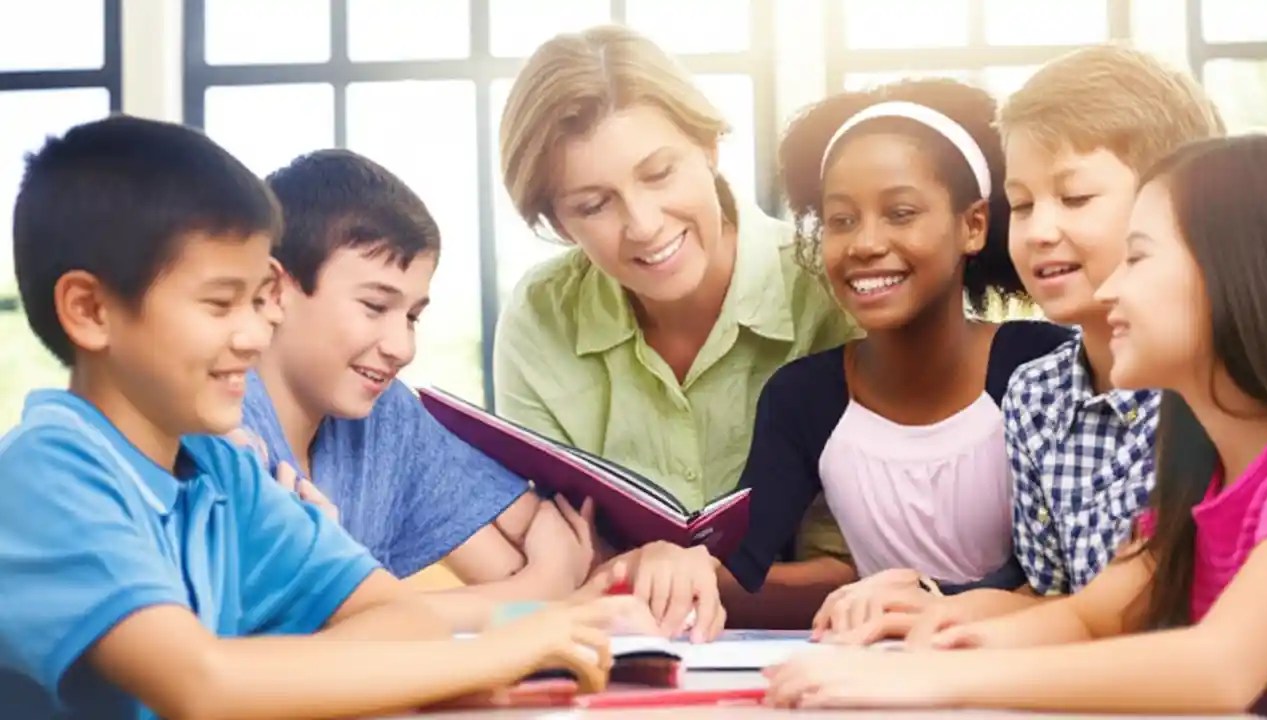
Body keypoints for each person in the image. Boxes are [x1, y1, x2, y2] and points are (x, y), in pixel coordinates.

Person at [0, 116, 654, 720]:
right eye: (221, 303)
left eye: (260, 301)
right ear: (90, 311)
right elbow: (199, 684)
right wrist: (504, 646)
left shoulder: (225, 472)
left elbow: (406, 624)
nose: (257, 333)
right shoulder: (49, 470)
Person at [765, 133, 1267, 717]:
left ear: (1235, 276)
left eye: (1137, 257)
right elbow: (1086, 617)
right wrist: (932, 652)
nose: (1110, 288)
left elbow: (1219, 671)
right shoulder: (1197, 482)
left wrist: (938, 683)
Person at [824, 46, 1225, 640]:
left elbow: (1145, 625)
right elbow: (1055, 600)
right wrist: (929, 609)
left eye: (1076, 198)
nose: (1038, 231)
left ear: (1174, 204)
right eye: (1025, 203)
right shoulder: (1036, 394)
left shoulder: (1219, 391)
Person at [246, 148, 726, 639]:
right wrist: (544, 586)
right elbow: (336, 628)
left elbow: (532, 545)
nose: (402, 347)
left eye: (412, 316)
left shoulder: (384, 418)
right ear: (273, 290)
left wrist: (563, 589)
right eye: (374, 306)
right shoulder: (220, 428)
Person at [494, 23, 857, 627]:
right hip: (616, 657)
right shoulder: (540, 318)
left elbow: (860, 566)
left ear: (710, 147)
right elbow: (550, 554)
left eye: (659, 173)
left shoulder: (828, 292)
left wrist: (691, 575)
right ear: (559, 223)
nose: (643, 224)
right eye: (593, 205)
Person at [723, 78, 1069, 623]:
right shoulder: (804, 398)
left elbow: (1070, 575)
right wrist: (663, 566)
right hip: (879, 678)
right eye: (841, 220)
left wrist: (930, 602)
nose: (864, 243)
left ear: (972, 225)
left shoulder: (1043, 367)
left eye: (900, 213)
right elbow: (740, 566)